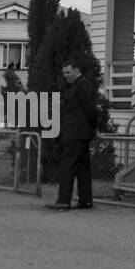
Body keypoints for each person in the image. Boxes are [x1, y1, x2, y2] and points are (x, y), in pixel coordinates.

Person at [49, 61, 99, 211]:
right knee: (83, 168)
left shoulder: (81, 85)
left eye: (68, 72)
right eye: (63, 73)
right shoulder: (77, 85)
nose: (65, 76)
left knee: (67, 166)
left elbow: (89, 108)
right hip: (80, 133)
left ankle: (64, 200)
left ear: (76, 70)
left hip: (76, 133)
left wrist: (94, 126)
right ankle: (85, 200)